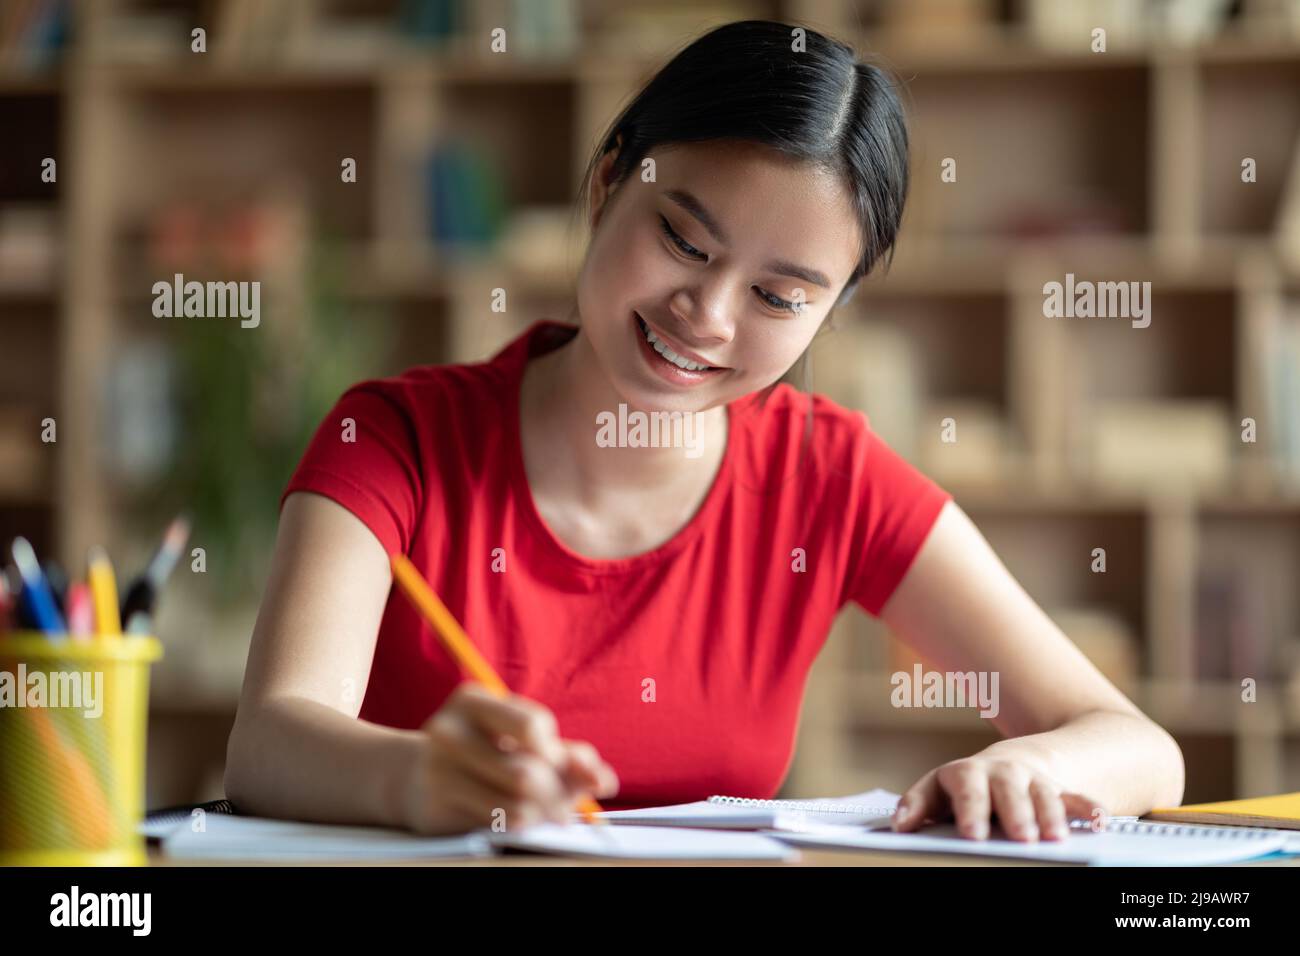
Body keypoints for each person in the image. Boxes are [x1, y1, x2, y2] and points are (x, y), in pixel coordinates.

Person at [225, 20, 1184, 841]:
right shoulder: (395, 439)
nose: (709, 315)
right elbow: (270, 741)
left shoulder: (829, 475)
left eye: (777, 294)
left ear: (825, 314)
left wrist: (1033, 767)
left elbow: (1139, 746)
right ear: (606, 189)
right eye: (683, 240)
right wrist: (418, 779)